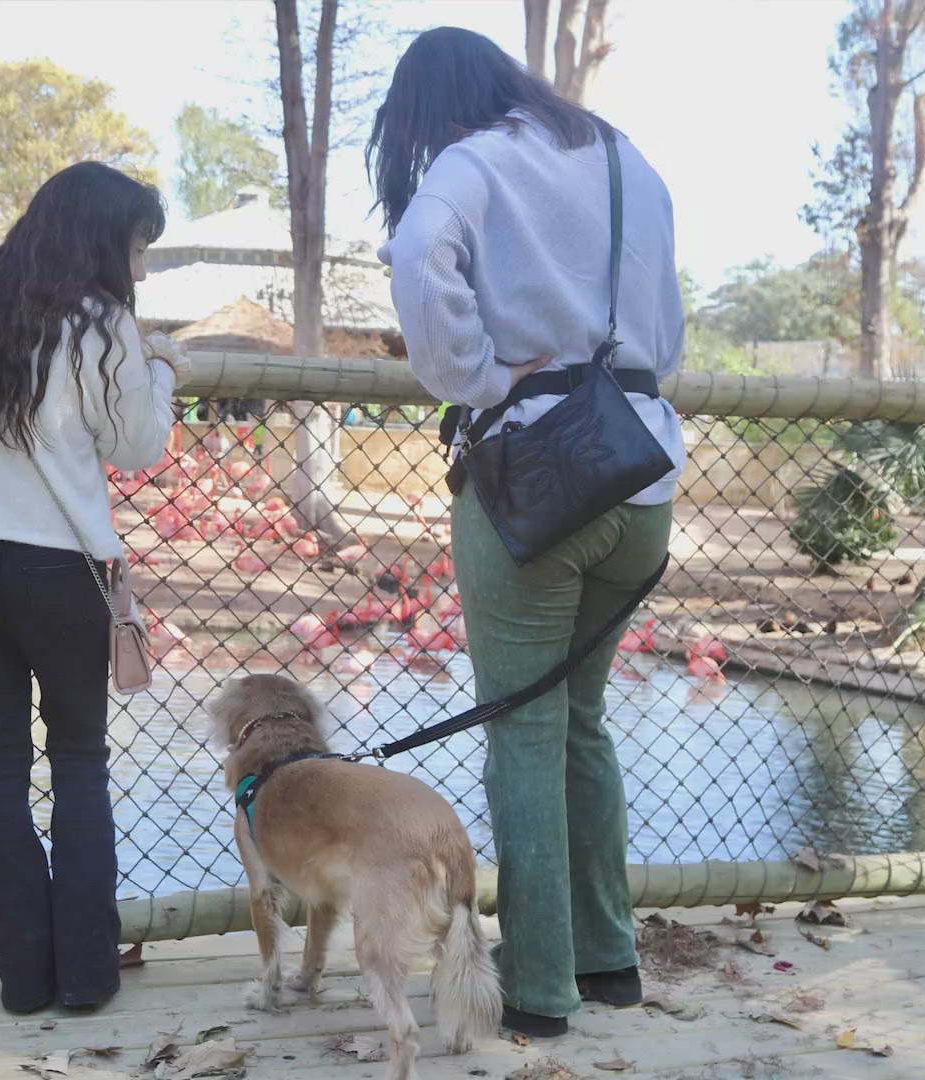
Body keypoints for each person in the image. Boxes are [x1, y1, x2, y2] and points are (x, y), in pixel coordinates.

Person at [368, 27, 685, 1038]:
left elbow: (418, 253)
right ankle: (609, 958)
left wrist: (475, 376)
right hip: (640, 475)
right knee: (581, 723)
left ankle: (541, 987)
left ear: (438, 109)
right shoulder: (628, 161)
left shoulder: (476, 159)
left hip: (533, 479)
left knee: (524, 724)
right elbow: (665, 327)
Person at [0, 162, 184, 1015]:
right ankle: (85, 975)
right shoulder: (101, 322)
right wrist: (159, 364)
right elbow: (138, 446)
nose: (137, 267)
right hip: (61, 573)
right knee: (80, 764)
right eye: (134, 247)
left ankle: (23, 977)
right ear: (100, 239)